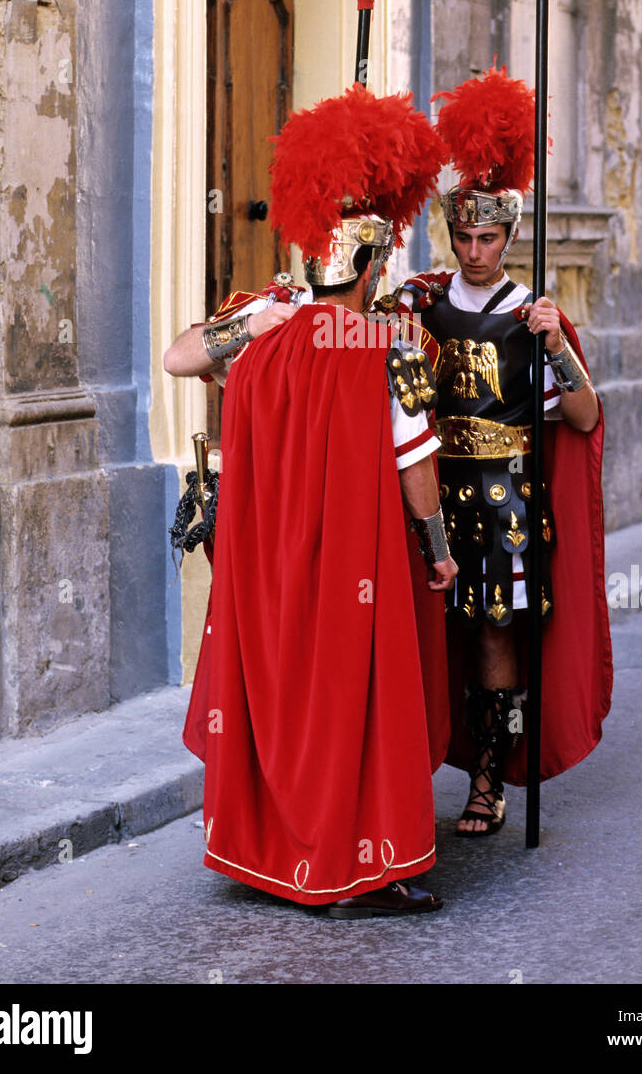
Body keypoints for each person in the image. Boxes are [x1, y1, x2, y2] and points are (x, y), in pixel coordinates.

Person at [167, 85, 458, 915]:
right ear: (368, 264)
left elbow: (182, 360)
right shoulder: (391, 349)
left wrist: (257, 322)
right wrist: (437, 551)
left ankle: (269, 857)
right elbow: (415, 467)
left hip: (265, 562)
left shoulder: (265, 328)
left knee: (278, 699)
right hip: (354, 561)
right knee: (354, 709)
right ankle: (359, 862)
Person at [378, 67, 612, 837]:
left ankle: (488, 775)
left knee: (494, 630)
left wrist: (553, 343)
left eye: (488, 237)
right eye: (463, 236)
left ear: (509, 237)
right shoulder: (424, 300)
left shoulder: (530, 315)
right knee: (425, 630)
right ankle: (398, 771)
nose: (475, 250)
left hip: (508, 501)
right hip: (434, 490)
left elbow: (583, 417)